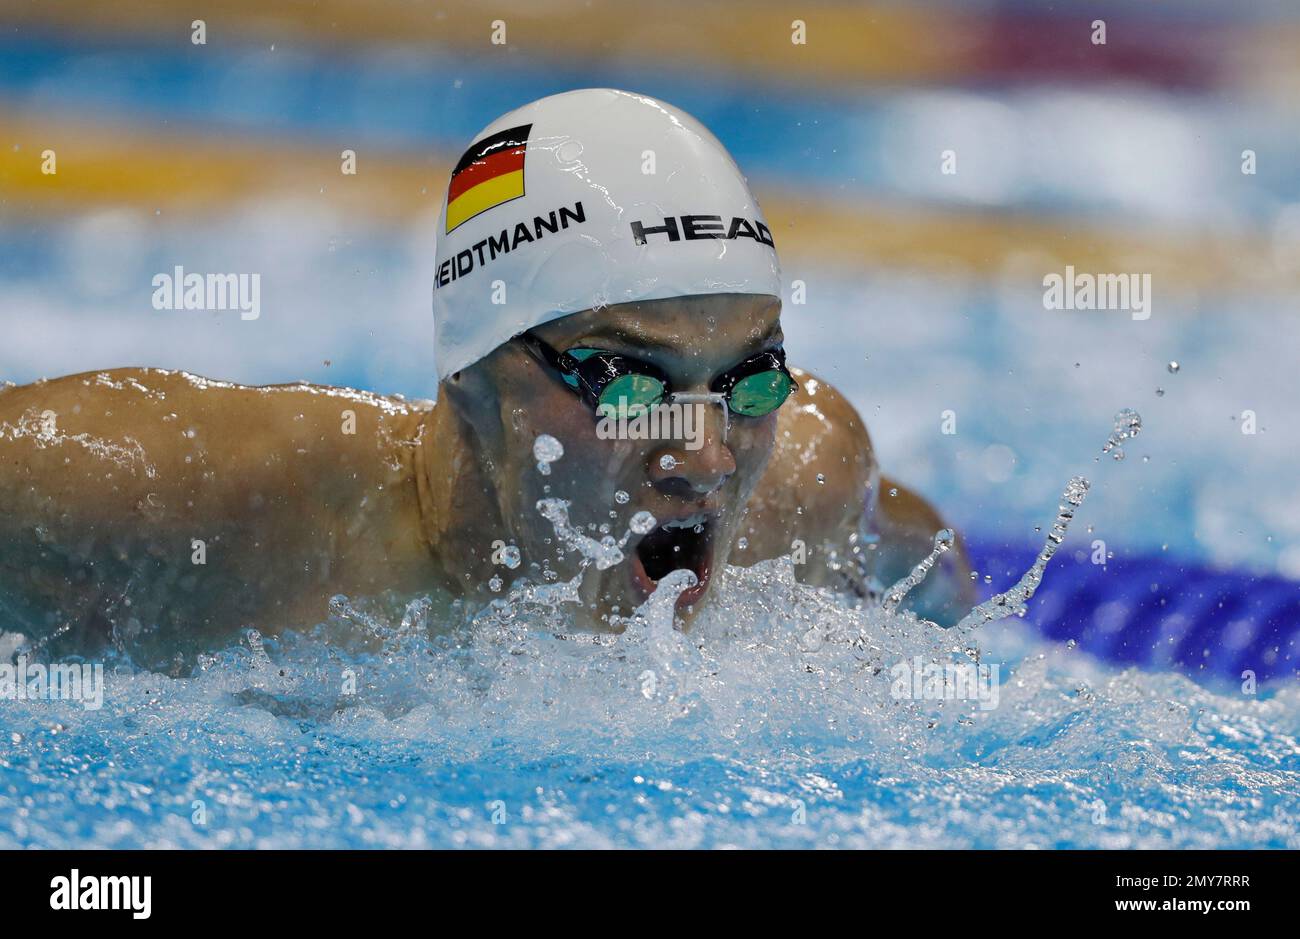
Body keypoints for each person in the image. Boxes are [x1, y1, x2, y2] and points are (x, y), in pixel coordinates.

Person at [0, 89, 970, 664]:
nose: (705, 458)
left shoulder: (798, 485)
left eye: (748, 379)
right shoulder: (188, 506)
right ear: (469, 381)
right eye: (630, 386)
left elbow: (937, 586)